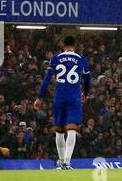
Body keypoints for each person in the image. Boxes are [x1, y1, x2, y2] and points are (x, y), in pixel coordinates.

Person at [32, 34, 90, 170]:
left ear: (63, 45)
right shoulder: (81, 59)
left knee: (59, 131)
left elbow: (47, 79)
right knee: (72, 129)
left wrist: (39, 97)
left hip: (59, 97)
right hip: (74, 97)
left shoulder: (56, 58)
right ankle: (67, 163)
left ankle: (61, 161)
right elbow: (87, 80)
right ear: (74, 45)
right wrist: (85, 94)